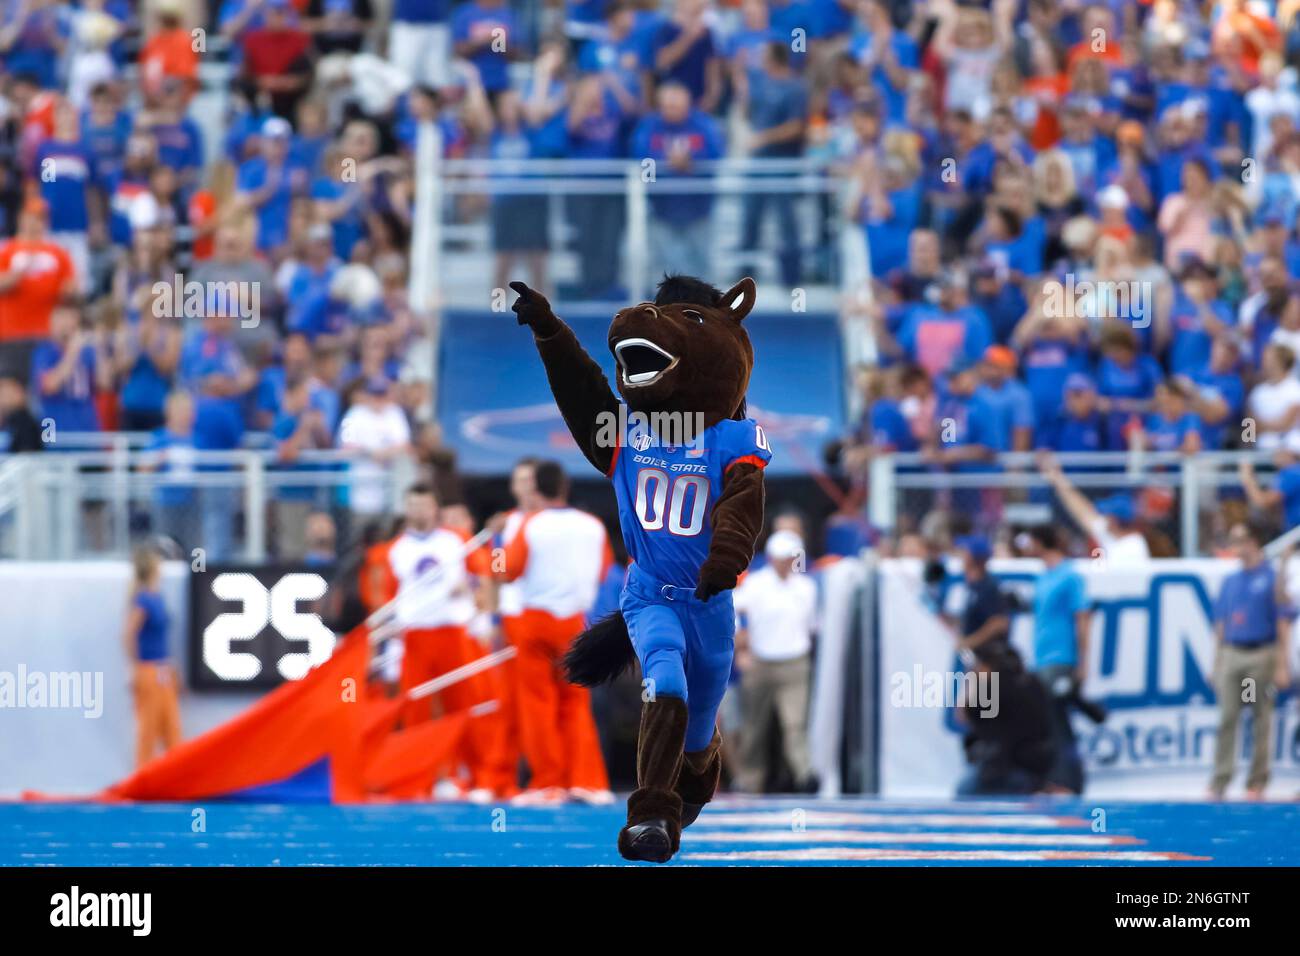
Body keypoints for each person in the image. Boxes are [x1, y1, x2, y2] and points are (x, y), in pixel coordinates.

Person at [495, 460, 613, 805]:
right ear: (564, 487)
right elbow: (604, 568)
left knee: (537, 705)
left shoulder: (530, 524)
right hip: (576, 622)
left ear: (535, 489)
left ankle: (548, 783)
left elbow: (507, 570)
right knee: (576, 704)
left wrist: (499, 546)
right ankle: (588, 782)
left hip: (535, 621)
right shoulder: (592, 525)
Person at [388, 484, 513, 800]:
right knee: (416, 711)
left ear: (434, 508)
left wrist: (478, 607)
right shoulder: (395, 549)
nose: (418, 511)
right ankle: (423, 779)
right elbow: (389, 596)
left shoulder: (456, 541)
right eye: (412, 505)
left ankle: (480, 777)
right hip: (415, 633)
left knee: (467, 707)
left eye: (424, 505)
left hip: (453, 631)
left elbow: (485, 578)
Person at [1209, 522, 1291, 799]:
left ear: (1253, 542)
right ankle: (1220, 781)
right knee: (1227, 717)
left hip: (1259, 655)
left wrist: (1281, 662)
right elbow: (1221, 626)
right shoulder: (1231, 581)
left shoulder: (1269, 578)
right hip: (1234, 653)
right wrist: (1216, 662)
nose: (1234, 546)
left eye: (1239, 539)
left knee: (1259, 718)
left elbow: (1282, 622)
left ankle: (1256, 781)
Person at [732, 529, 818, 793]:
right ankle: (751, 780)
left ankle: (803, 776)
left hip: (794, 662)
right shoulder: (756, 584)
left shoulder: (806, 587)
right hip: (761, 662)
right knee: (755, 726)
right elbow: (731, 610)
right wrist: (741, 649)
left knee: (794, 724)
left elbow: (812, 626)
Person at [1025, 524, 1091, 794]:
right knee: (1049, 721)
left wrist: (1083, 661)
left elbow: (1083, 618)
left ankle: (1069, 780)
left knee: (1058, 720)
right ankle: (1058, 778)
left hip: (1061, 656)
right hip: (1042, 657)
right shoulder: (1044, 577)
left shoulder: (1070, 577)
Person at [122, 544, 182, 769]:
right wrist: (134, 668)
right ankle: (143, 775)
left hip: (162, 670)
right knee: (149, 729)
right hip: (149, 670)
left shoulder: (156, 597)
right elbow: (129, 634)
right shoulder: (143, 600)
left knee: (171, 728)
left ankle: (174, 776)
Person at [1038, 451, 1151, 565]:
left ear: (1114, 520)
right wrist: (1058, 478)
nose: (1103, 518)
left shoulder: (1132, 546)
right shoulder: (1113, 534)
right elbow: (1083, 512)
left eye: (1106, 515)